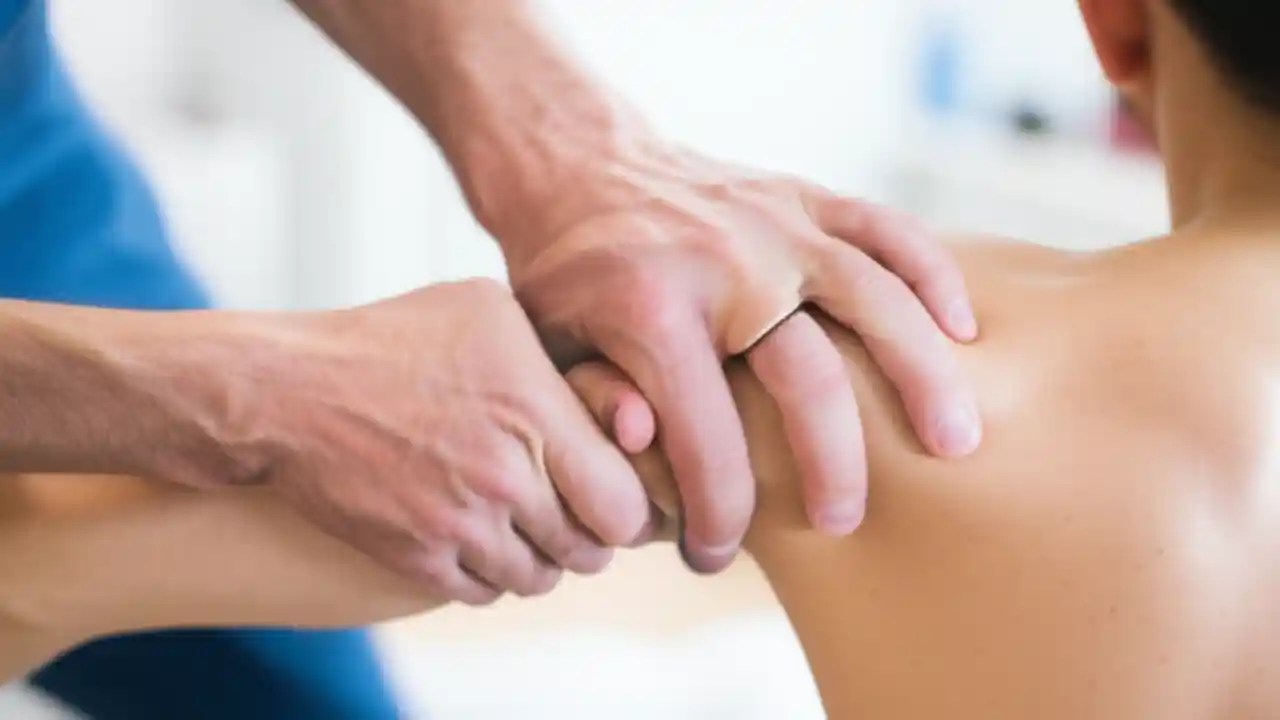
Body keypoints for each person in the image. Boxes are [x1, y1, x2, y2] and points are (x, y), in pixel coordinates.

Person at [2, 0, 1276, 716]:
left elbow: (31, 591)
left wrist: (542, 129)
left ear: (1109, 27)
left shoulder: (862, 350)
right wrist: (245, 393)